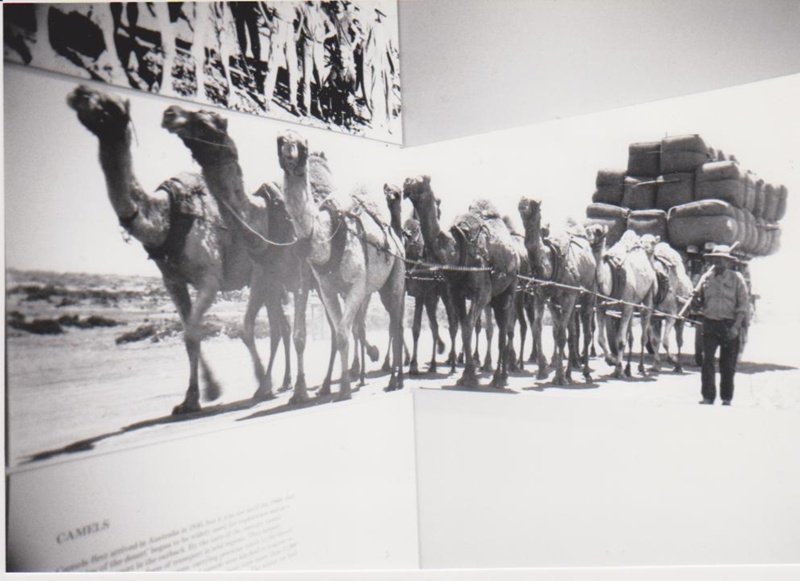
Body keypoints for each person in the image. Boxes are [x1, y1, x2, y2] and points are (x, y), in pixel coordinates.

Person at [696, 245, 749, 406]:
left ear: (728, 262)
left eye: (722, 260)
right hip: (710, 324)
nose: (718, 263)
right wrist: (694, 300)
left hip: (729, 326)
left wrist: (736, 328)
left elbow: (743, 306)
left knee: (727, 365)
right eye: (715, 259)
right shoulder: (706, 278)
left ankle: (726, 398)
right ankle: (708, 397)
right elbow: (699, 301)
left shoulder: (736, 279)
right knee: (707, 361)